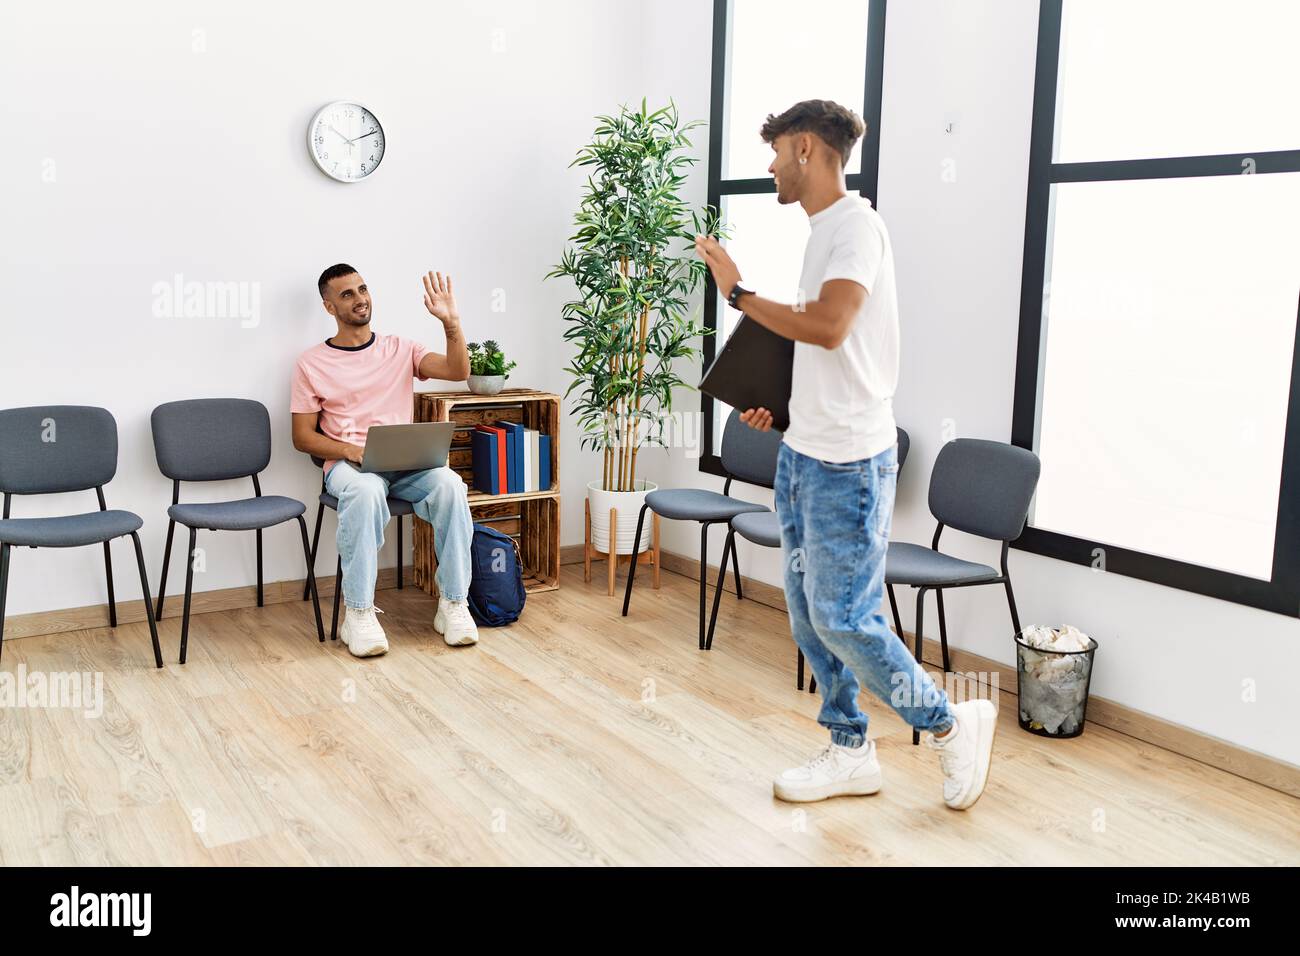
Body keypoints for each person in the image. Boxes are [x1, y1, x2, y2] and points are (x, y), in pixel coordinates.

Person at [695, 100, 996, 810]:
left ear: (805, 149)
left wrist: (737, 291)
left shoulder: (857, 228)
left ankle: (953, 727)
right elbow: (828, 351)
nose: (768, 167)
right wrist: (788, 407)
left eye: (774, 153)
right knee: (808, 618)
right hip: (804, 454)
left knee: (847, 619)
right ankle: (850, 748)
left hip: (849, 468)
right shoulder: (822, 232)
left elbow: (830, 327)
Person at [291, 264, 479, 657]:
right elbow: (302, 436)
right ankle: (357, 613)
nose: (360, 299)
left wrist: (451, 323)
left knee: (450, 485)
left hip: (406, 466)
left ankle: (454, 603)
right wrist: (348, 450)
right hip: (350, 467)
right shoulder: (311, 363)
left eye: (363, 289)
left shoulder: (400, 348)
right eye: (347, 294)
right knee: (364, 491)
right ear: (329, 307)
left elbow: (459, 371)